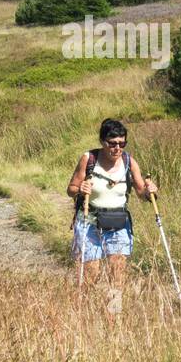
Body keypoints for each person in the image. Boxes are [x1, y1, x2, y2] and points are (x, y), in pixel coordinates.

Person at [65, 119, 158, 310]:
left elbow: (141, 191)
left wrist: (150, 192)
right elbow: (71, 188)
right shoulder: (89, 159)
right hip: (89, 222)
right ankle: (82, 311)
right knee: (91, 272)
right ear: (102, 141)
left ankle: (113, 313)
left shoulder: (129, 162)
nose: (117, 148)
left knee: (118, 270)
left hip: (118, 222)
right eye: (112, 143)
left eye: (122, 143)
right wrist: (80, 189)